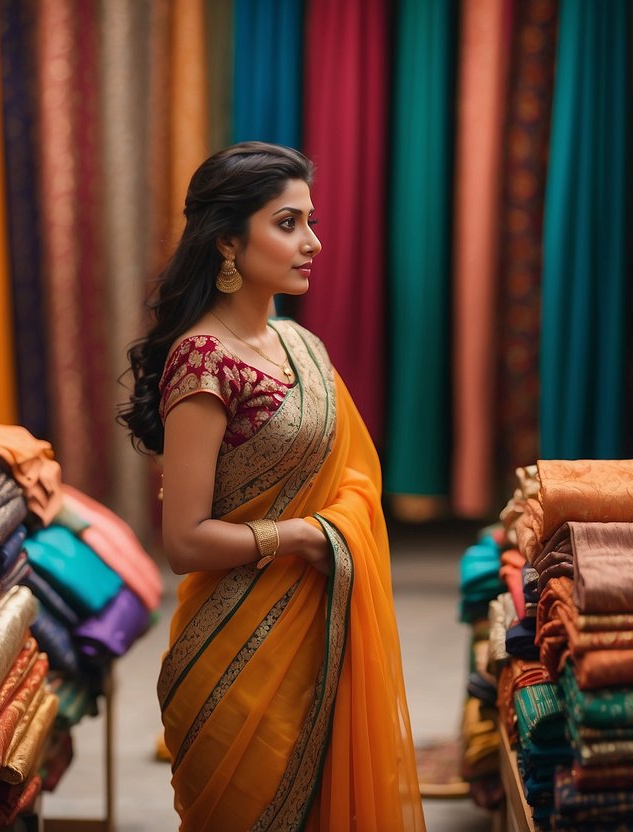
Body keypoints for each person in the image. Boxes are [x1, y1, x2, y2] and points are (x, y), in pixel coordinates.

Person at [120, 142, 425, 830]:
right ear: (228, 240)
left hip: (317, 632)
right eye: (287, 224)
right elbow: (185, 541)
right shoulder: (202, 363)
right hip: (232, 659)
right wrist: (306, 535)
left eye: (310, 222)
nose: (311, 242)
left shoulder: (299, 344)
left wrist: (331, 533)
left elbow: (353, 477)